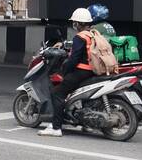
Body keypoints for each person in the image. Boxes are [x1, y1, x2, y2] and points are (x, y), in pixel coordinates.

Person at [40, 7, 98, 137]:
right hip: (92, 72)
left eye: (75, 22)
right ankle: (87, 124)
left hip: (81, 72)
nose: (74, 25)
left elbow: (74, 59)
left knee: (57, 93)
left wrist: (63, 71)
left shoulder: (79, 37)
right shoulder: (92, 34)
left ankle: (56, 127)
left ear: (78, 23)